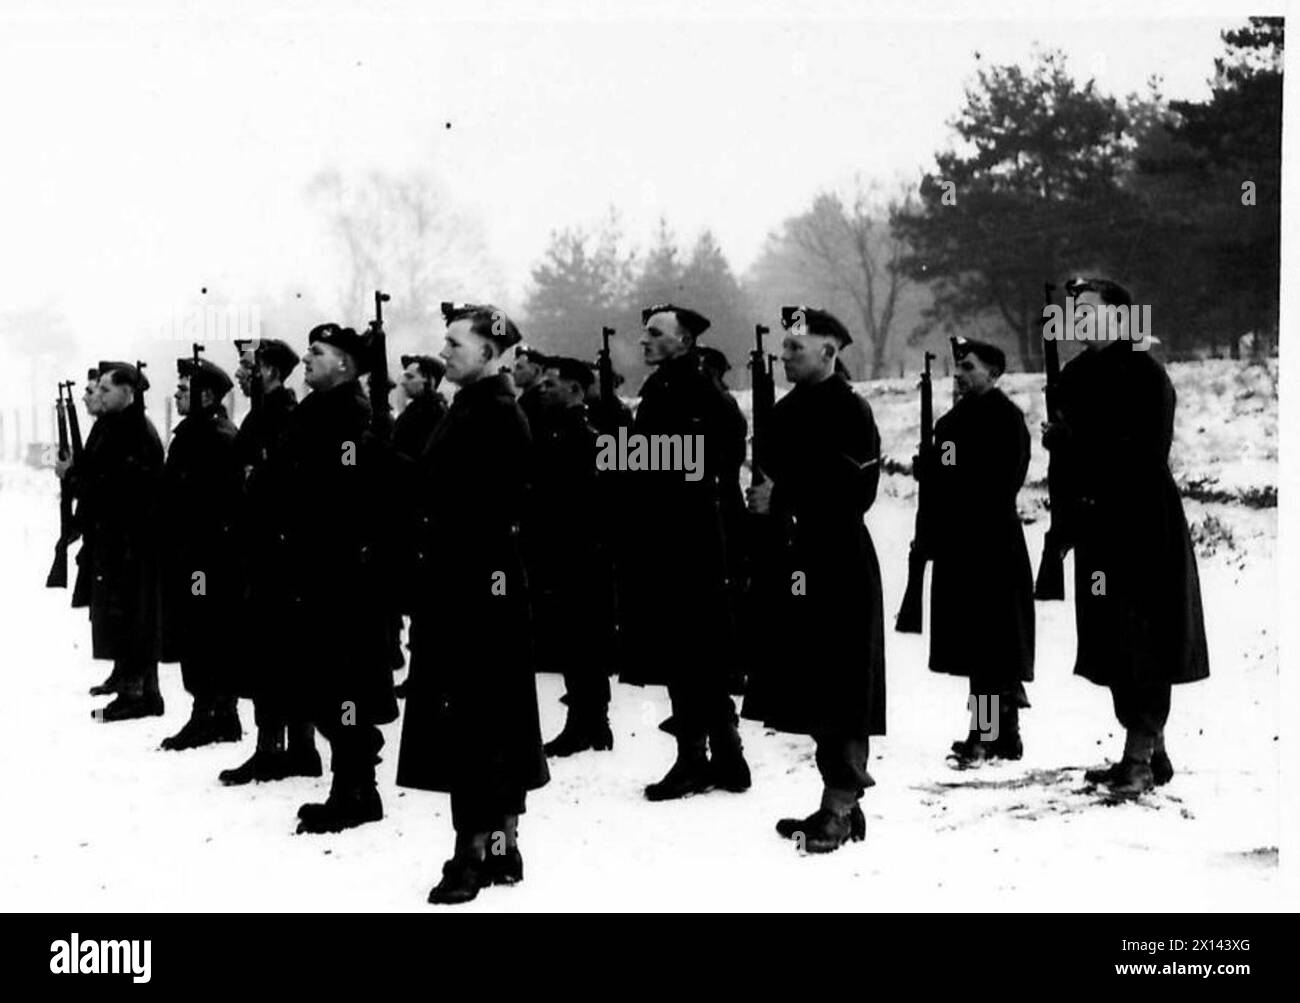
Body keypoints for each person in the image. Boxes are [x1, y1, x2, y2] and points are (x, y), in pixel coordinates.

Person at [397, 303, 549, 906]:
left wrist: (384, 469)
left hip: (477, 592)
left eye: (457, 343)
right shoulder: (473, 409)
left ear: (489, 352)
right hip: (471, 587)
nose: (446, 350)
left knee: (477, 725)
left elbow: (473, 505)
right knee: (491, 720)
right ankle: (500, 844)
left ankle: (472, 853)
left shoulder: (495, 416)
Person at [1043, 277, 1209, 796]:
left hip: (1142, 525)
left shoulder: (1146, 376)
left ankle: (1137, 755)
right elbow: (1067, 461)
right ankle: (1150, 752)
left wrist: (1079, 442)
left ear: (1121, 317)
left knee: (1146, 640)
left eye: (1091, 311)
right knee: (1111, 642)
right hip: (1096, 526)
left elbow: (1145, 453)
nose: (1081, 321)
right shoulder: (1072, 377)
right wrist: (1063, 515)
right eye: (1076, 313)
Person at [742, 306, 885, 853]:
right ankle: (838, 802)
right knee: (814, 686)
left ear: (830, 351)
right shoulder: (784, 411)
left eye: (795, 350)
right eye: (783, 350)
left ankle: (840, 806)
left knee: (844, 686)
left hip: (839, 563)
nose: (785, 358)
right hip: (795, 560)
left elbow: (856, 493)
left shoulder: (852, 410)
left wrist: (785, 497)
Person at [258, 324, 400, 832]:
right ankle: (351, 784)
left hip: (341, 575)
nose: (309, 358)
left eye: (318, 352)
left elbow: (347, 490)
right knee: (324, 684)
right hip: (310, 569)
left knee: (343, 687)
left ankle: (357, 789)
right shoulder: (317, 411)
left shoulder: (352, 415)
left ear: (344, 364)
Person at [620, 303, 750, 802]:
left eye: (656, 333)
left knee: (691, 650)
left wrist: (619, 455)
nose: (645, 340)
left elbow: (714, 456)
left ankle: (696, 759)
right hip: (673, 534)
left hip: (694, 539)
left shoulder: (699, 390)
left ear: (685, 341)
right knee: (695, 650)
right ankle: (727, 755)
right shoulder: (667, 387)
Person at [927, 336, 1035, 765]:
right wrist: (934, 470)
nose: (959, 374)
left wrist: (949, 478)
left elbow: (1003, 481)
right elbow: (949, 469)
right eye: (958, 367)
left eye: (968, 367)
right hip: (963, 544)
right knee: (979, 645)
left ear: (993, 373)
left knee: (991, 646)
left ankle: (988, 734)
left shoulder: (1008, 422)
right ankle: (1001, 733)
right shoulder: (952, 424)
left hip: (993, 544)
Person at [219, 338, 322, 785]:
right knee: (280, 652)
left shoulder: (279, 416)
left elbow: (277, 485)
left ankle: (275, 749)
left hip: (275, 554)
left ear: (272, 372)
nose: (240, 374)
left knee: (273, 652)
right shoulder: (266, 414)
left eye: (248, 366)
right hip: (268, 550)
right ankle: (297, 748)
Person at [528, 356, 614, 756]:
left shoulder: (585, 435)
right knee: (576, 642)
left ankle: (588, 723)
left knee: (582, 642)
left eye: (551, 384)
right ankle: (590, 722)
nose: (542, 389)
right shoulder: (555, 431)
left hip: (581, 555)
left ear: (575, 391)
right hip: (565, 553)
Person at [158, 354, 244, 750]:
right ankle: (216, 713)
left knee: (204, 632)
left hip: (205, 560)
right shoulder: (197, 432)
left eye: (182, 388)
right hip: (193, 555)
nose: (176, 394)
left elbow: (217, 505)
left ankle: (211, 714)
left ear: (205, 394)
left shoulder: (214, 436)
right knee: (200, 631)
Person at [77, 364, 167, 721]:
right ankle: (133, 688)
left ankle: (140, 695)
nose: (97, 396)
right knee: (122, 614)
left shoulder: (136, 432)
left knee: (133, 615)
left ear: (128, 392)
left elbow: (125, 487)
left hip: (132, 540)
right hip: (117, 537)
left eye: (105, 390)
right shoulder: (117, 426)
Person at [393, 354, 449, 461]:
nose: (404, 382)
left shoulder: (435, 413)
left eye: (410, 377)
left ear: (430, 381)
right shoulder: (416, 408)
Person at [512, 345, 549, 435]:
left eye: (519, 368)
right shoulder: (530, 399)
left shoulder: (537, 402)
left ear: (536, 371)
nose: (514, 372)